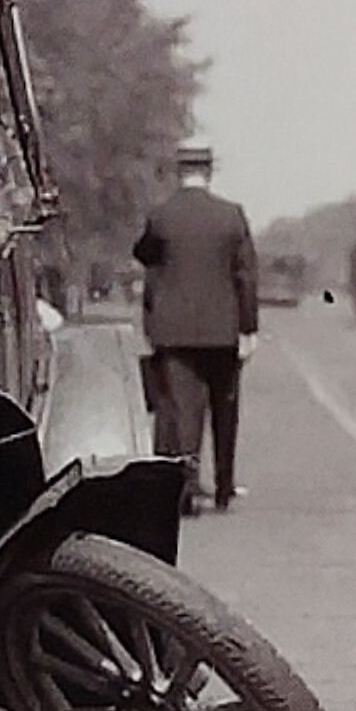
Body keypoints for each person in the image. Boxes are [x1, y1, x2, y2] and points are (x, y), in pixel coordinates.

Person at [132, 138, 259, 514]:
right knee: (225, 410)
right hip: (223, 332)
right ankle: (223, 488)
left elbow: (143, 255)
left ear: (178, 171)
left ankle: (184, 493)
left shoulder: (161, 215)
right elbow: (246, 277)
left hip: (172, 333)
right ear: (209, 170)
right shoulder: (232, 215)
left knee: (181, 412)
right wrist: (248, 329)